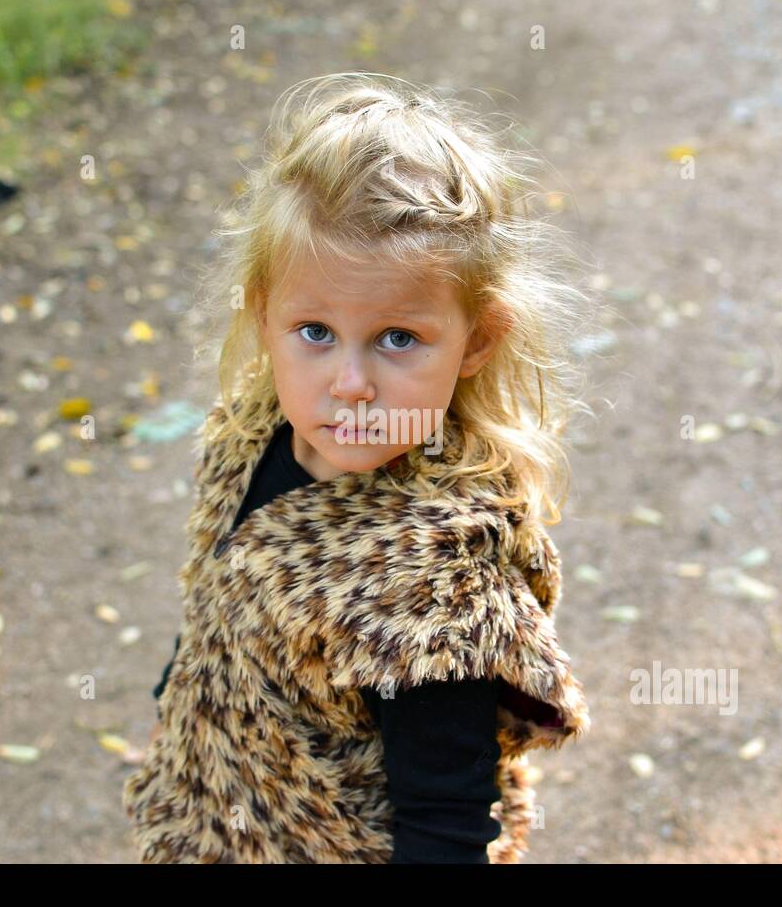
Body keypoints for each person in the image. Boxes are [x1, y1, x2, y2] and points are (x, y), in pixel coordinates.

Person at [122, 72, 591, 864]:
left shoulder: (428, 575)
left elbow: (445, 819)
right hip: (217, 812)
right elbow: (219, 577)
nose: (349, 383)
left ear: (478, 338)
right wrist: (182, 688)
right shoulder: (255, 431)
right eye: (314, 331)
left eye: (398, 339)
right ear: (263, 310)